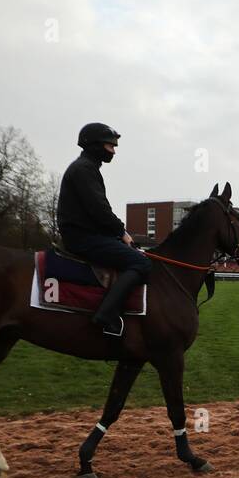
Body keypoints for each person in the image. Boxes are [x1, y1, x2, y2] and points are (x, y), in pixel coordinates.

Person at [57, 122, 152, 336]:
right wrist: (122, 232)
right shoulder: (84, 169)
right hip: (82, 238)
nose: (114, 151)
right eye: (110, 146)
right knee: (141, 262)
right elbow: (99, 210)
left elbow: (98, 212)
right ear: (95, 145)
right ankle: (106, 314)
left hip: (87, 234)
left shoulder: (87, 168)